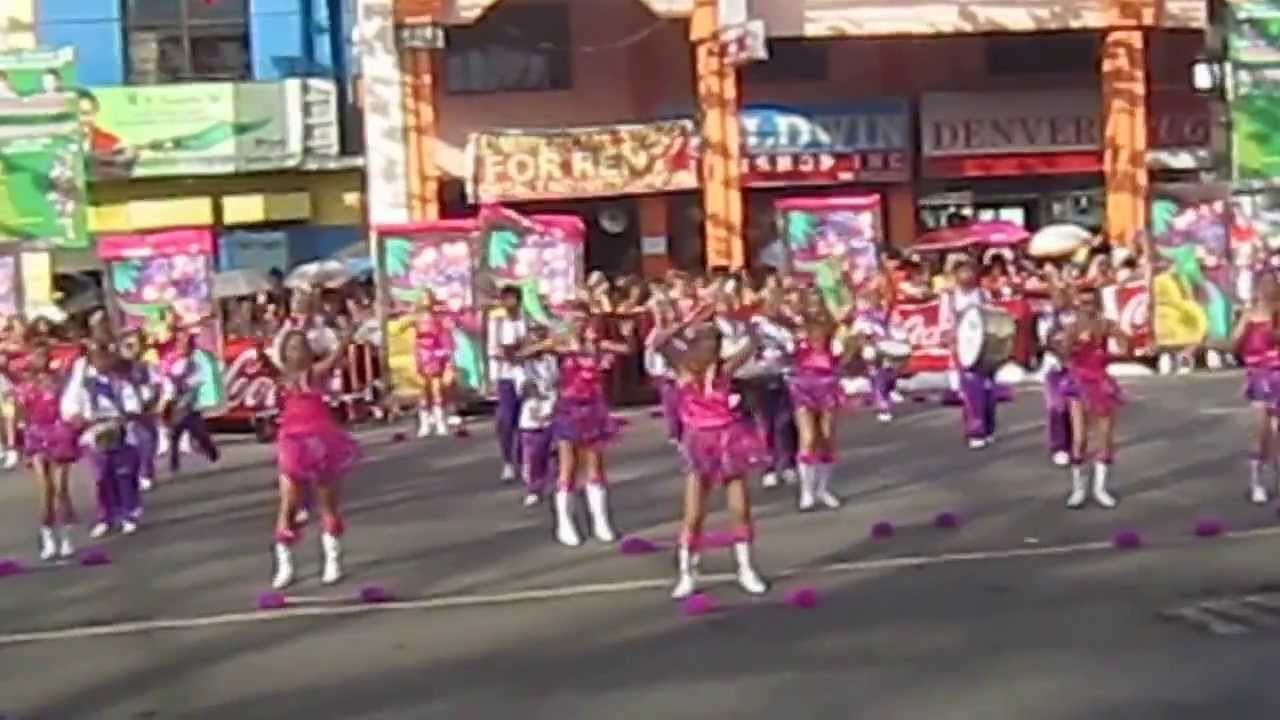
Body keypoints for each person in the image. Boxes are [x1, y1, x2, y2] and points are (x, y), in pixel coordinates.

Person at [660, 321, 770, 599]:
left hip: (729, 441)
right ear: (695, 345)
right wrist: (685, 323)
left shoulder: (725, 369)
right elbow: (660, 342)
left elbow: (753, 343)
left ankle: (745, 568)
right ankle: (688, 573)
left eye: (716, 343)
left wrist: (743, 321)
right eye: (707, 343)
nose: (712, 348)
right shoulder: (683, 369)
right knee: (694, 514)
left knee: (739, 509)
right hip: (700, 443)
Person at [269, 327, 361, 589]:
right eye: (292, 348)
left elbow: (337, 355)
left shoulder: (317, 373)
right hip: (292, 442)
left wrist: (347, 334)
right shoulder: (282, 377)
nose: (297, 352)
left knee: (327, 499)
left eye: (301, 347)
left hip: (321, 441)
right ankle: (284, 562)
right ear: (285, 354)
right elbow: (266, 362)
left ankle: (332, 558)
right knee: (288, 501)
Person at [546, 305, 627, 547]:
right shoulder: (561, 347)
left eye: (583, 320)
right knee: (568, 467)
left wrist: (618, 336)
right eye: (574, 320)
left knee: (595, 466)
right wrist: (552, 344)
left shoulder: (597, 346)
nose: (580, 324)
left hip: (594, 410)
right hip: (569, 409)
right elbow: (525, 352)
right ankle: (565, 522)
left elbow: (626, 348)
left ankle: (600, 521)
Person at [61, 342, 146, 538]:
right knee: (101, 480)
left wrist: (121, 419)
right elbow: (70, 407)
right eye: (96, 358)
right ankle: (105, 517)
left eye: (104, 357)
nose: (101, 362)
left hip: (121, 435)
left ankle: (128, 514)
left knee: (123, 477)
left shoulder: (121, 382)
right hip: (94, 436)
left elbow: (134, 406)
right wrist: (75, 417)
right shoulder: (83, 385)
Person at [1060, 288, 1130, 509]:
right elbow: (1063, 355)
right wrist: (1074, 342)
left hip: (1100, 381)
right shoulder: (1072, 327)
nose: (1085, 307)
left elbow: (1126, 347)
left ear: (1097, 304)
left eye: (1090, 303)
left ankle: (1100, 489)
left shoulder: (1105, 324)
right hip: (1078, 382)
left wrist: (1118, 341)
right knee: (1079, 438)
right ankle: (1078, 489)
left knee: (1105, 438)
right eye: (1082, 303)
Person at [786, 293, 857, 511]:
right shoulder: (797, 331)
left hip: (827, 386)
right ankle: (806, 491)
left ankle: (823, 489)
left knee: (826, 439)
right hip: (802, 387)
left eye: (819, 305)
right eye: (811, 305)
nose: (815, 310)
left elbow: (844, 358)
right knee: (808, 438)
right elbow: (788, 355)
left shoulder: (834, 332)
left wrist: (850, 349)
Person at [17, 342, 80, 560]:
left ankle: (66, 536)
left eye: (44, 354)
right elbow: (22, 416)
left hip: (59, 434)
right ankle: (48, 538)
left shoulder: (59, 380)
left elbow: (70, 403)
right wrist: (21, 447)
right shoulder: (25, 385)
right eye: (36, 355)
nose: (40, 359)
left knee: (61, 489)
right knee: (46, 490)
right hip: (36, 437)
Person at [1232, 272, 1280, 504]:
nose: (1269, 288)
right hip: (1259, 375)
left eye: (1273, 284)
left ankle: (1274, 478)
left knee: (1277, 433)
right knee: (1261, 431)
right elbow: (1235, 343)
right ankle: (1256, 482)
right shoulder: (1249, 314)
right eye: (1264, 284)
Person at [941, 258, 998, 450]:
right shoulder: (949, 297)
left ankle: (989, 427)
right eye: (962, 272)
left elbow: (993, 317)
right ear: (956, 275)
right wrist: (951, 340)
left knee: (988, 391)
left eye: (970, 271)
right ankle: (976, 431)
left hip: (985, 347)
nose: (967, 275)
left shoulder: (983, 294)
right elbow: (945, 323)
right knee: (971, 392)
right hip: (964, 348)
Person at [512, 325, 559, 508]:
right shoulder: (521, 366)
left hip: (554, 412)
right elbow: (525, 388)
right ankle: (534, 489)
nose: (539, 343)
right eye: (534, 339)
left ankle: (561, 486)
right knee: (535, 458)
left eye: (542, 337)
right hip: (532, 418)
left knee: (557, 454)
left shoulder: (552, 359)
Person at [488, 286, 527, 484]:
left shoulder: (527, 320)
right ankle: (508, 462)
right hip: (505, 375)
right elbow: (493, 349)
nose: (510, 304)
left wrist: (524, 351)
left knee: (525, 420)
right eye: (506, 300)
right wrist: (509, 353)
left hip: (526, 374)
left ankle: (524, 460)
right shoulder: (497, 322)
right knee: (505, 420)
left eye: (514, 300)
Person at [412, 289, 457, 438]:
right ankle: (424, 423)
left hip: (435, 356)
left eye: (429, 298)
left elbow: (445, 337)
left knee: (437, 388)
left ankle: (440, 422)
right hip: (421, 355)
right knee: (423, 390)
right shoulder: (414, 319)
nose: (427, 301)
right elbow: (412, 340)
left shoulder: (439, 318)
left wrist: (448, 357)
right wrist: (415, 359)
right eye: (424, 298)